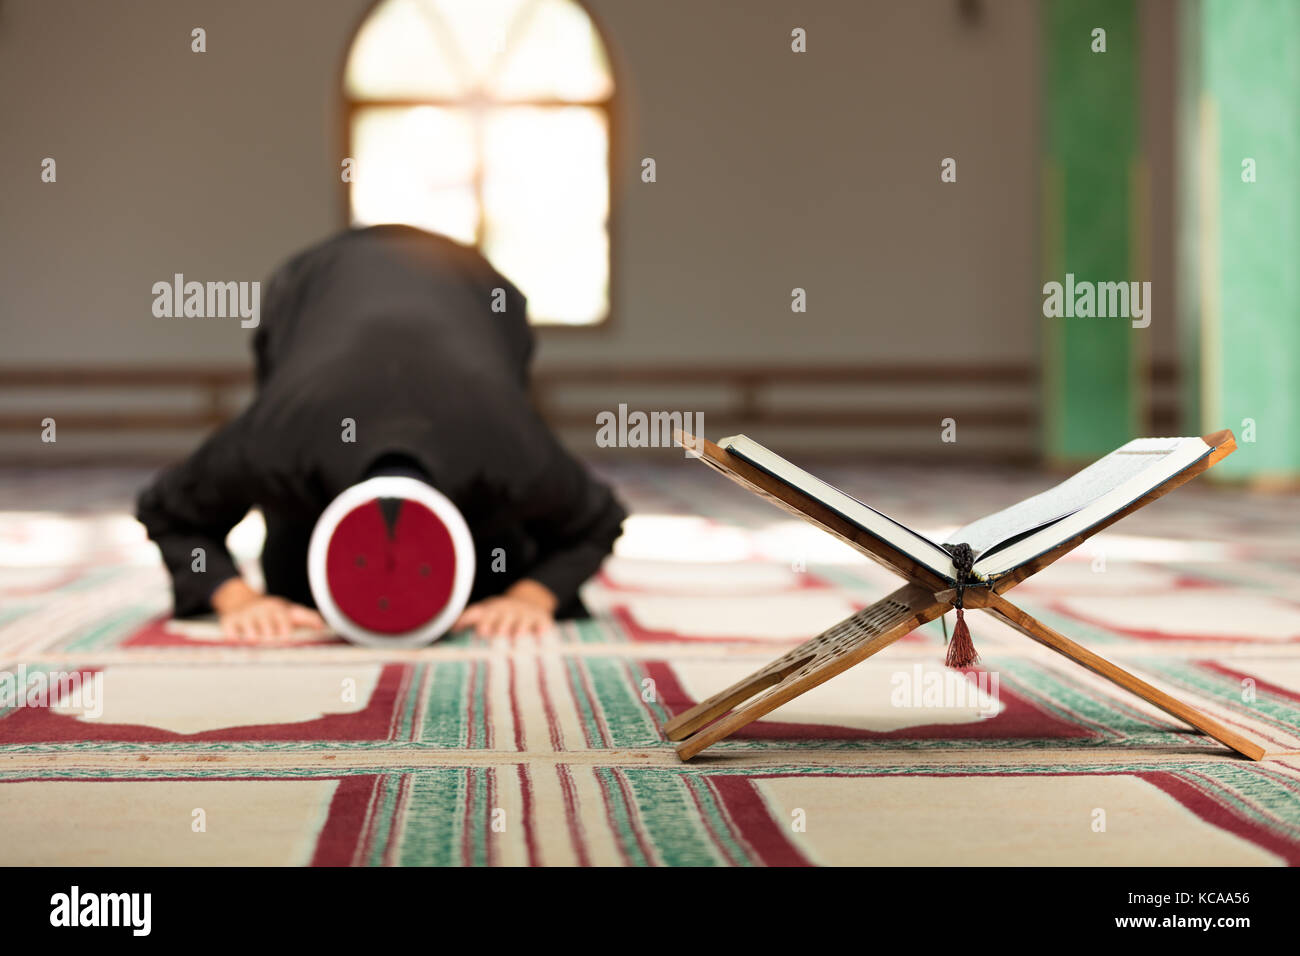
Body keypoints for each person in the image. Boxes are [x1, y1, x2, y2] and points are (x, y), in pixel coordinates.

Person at [137, 225, 626, 641]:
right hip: (319, 281)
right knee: (290, 583)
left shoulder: (511, 447)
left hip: (473, 287)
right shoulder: (275, 439)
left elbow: (597, 519)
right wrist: (237, 599)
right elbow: (168, 510)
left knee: (504, 566)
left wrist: (530, 597)